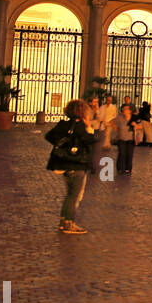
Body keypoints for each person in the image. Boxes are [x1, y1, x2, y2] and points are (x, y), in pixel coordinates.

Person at [45, 99, 95, 234]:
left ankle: (63, 221)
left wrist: (65, 145)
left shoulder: (63, 124)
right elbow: (90, 141)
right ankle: (69, 223)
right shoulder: (80, 127)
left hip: (63, 164)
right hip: (76, 164)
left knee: (69, 195)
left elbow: (49, 136)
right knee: (74, 196)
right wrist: (89, 128)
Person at [113, 103, 137, 174]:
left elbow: (140, 126)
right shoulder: (119, 118)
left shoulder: (134, 118)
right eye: (123, 110)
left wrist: (135, 125)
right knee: (122, 153)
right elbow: (111, 122)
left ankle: (128, 168)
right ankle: (120, 168)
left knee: (129, 154)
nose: (124, 111)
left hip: (131, 139)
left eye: (126, 109)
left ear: (130, 111)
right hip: (121, 138)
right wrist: (116, 129)